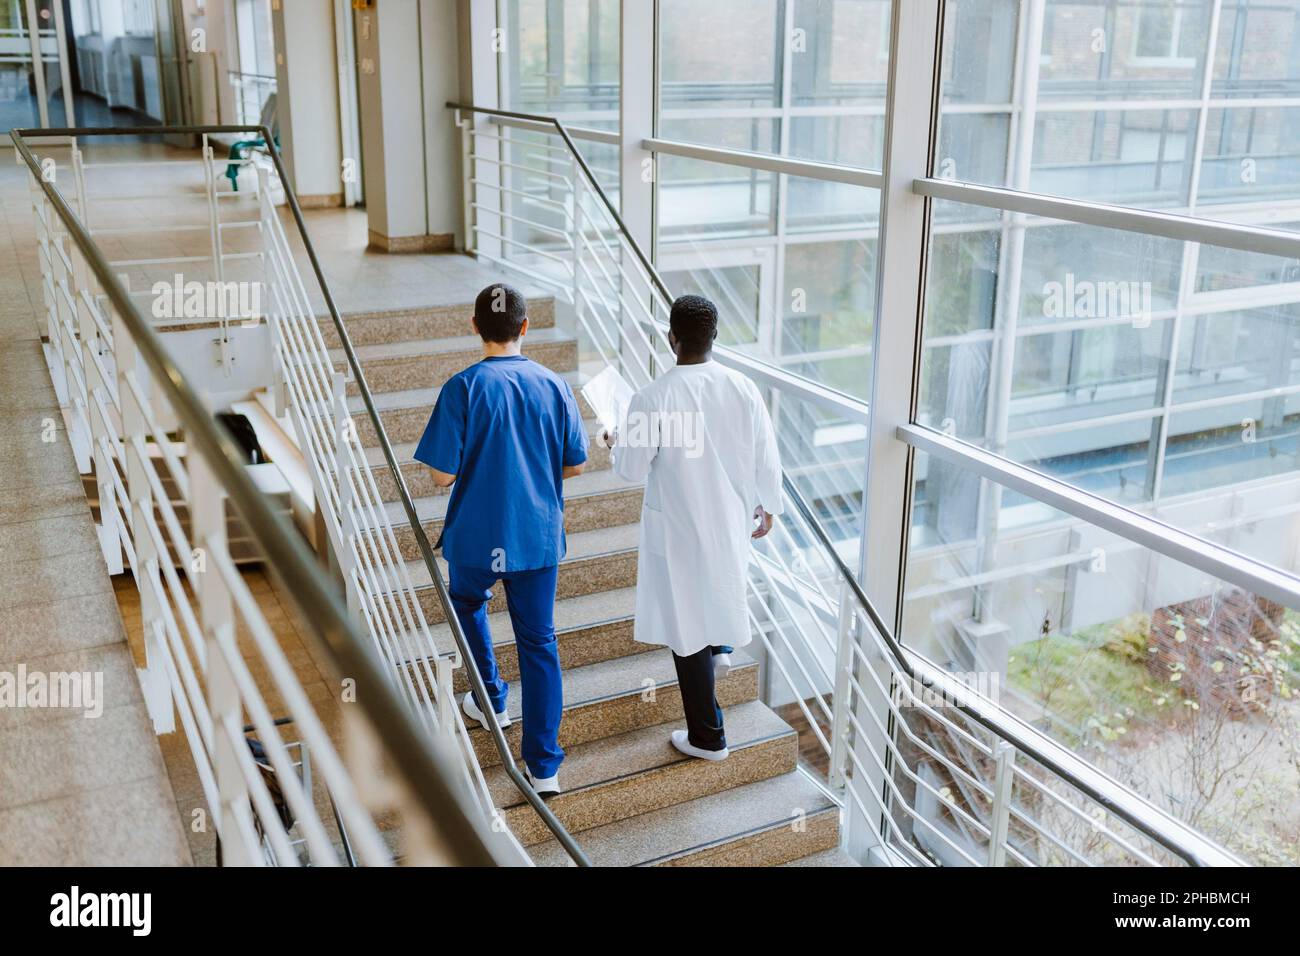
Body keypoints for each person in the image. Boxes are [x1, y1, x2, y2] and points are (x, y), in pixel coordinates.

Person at [414, 283, 588, 796]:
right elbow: (575, 464)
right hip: (535, 537)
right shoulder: (554, 384)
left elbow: (442, 478)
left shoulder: (462, 387)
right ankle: (544, 766)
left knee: (468, 603)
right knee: (539, 642)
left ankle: (490, 697)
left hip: (476, 535)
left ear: (474, 327)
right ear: (525, 328)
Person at [604, 294, 782, 761]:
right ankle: (720, 646)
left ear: (671, 338)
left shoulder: (652, 397)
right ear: (715, 337)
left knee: (685, 624)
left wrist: (614, 440)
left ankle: (708, 737)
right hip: (730, 518)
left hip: (680, 525)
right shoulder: (743, 387)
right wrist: (770, 508)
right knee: (720, 584)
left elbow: (631, 470)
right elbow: (766, 454)